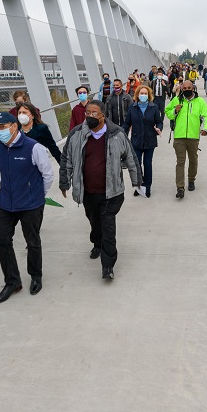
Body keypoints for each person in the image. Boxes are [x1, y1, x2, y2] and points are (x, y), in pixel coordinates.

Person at [60, 100, 141, 279]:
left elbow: (130, 157)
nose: (90, 116)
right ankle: (96, 243)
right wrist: (64, 182)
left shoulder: (116, 134)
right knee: (94, 222)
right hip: (88, 191)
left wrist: (137, 181)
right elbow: (66, 159)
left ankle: (108, 266)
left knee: (108, 227)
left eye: (94, 113)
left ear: (103, 115)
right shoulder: (77, 134)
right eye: (88, 112)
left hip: (111, 193)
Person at [0, 112, 55, 304]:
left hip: (30, 204)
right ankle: (12, 282)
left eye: (2, 127)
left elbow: (48, 175)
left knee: (32, 241)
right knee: (2, 241)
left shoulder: (34, 148)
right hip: (5, 203)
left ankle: (36, 276)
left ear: (14, 126)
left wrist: (37, 196)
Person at [165, 79, 207, 199]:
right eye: (184, 88)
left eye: (188, 88)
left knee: (193, 160)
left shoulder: (200, 101)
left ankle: (191, 179)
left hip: (193, 136)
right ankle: (180, 188)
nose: (186, 90)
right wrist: (175, 111)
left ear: (193, 88)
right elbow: (167, 111)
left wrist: (205, 128)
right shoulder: (177, 100)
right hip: (179, 136)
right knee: (180, 162)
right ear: (181, 89)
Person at [123, 85, 164, 198]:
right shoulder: (132, 107)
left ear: (149, 95)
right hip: (136, 140)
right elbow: (127, 123)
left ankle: (147, 187)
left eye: (145, 93)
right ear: (137, 94)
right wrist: (122, 132)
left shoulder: (154, 107)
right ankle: (139, 186)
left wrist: (159, 128)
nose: (143, 95)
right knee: (137, 165)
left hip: (150, 140)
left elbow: (159, 121)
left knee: (147, 164)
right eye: (141, 93)